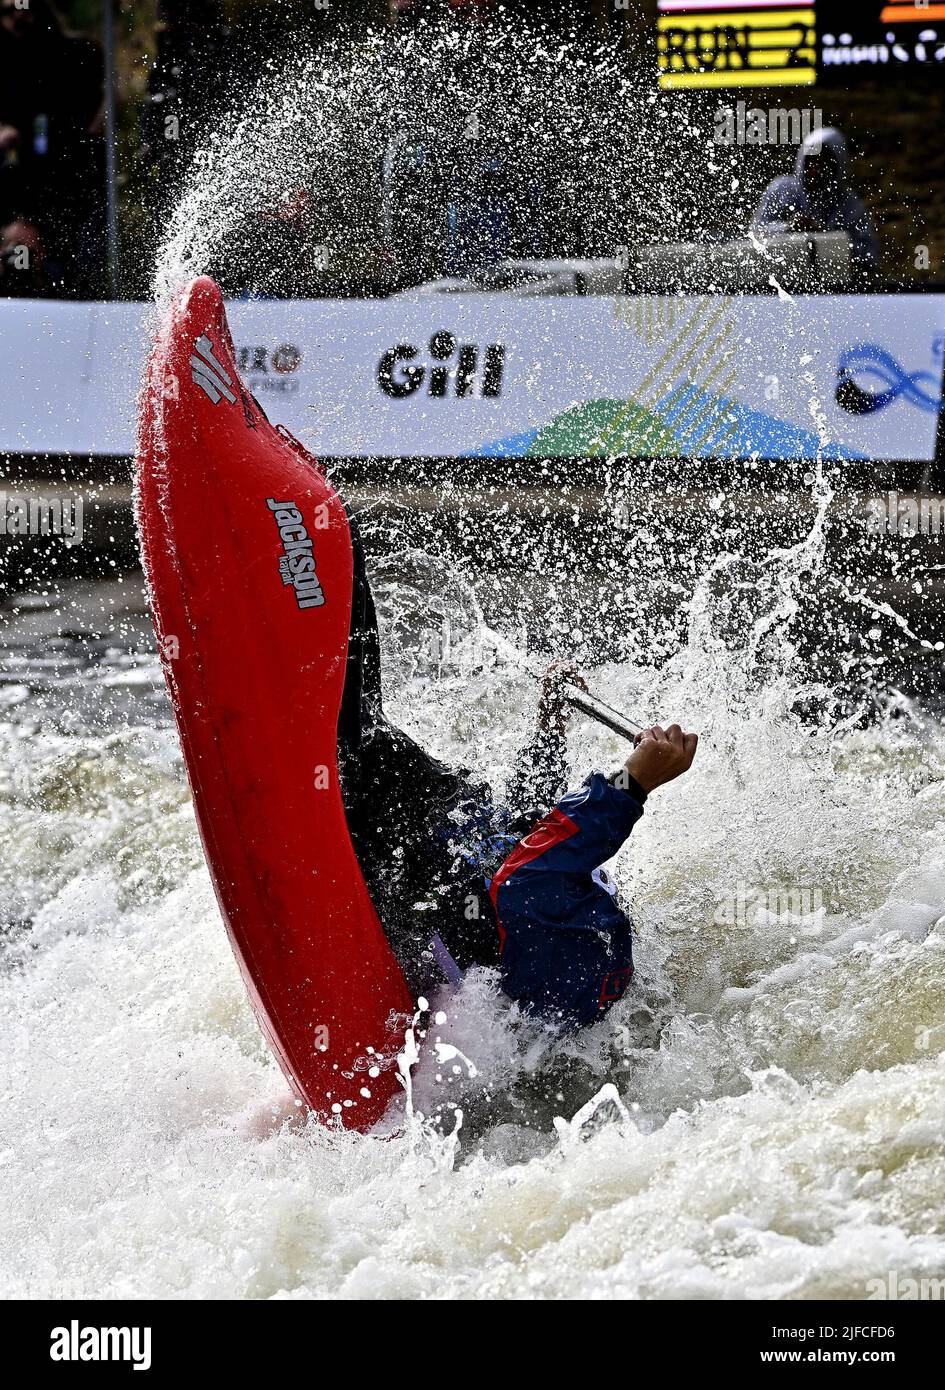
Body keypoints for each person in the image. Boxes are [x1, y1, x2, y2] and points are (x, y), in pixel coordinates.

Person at [338, 520, 698, 1029]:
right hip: (438, 825)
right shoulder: (566, 936)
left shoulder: (550, 953)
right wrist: (552, 724)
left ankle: (321, 554)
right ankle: (329, 551)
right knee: (360, 722)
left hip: (397, 846)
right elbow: (539, 832)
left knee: (353, 732)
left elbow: (533, 871)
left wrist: (634, 783)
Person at [751, 126, 879, 277]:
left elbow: (869, 256)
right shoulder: (782, 189)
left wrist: (826, 239)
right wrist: (788, 227)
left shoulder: (848, 204)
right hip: (779, 282)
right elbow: (755, 232)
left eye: (824, 164)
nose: (815, 170)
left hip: (832, 288)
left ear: (837, 166)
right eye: (812, 161)